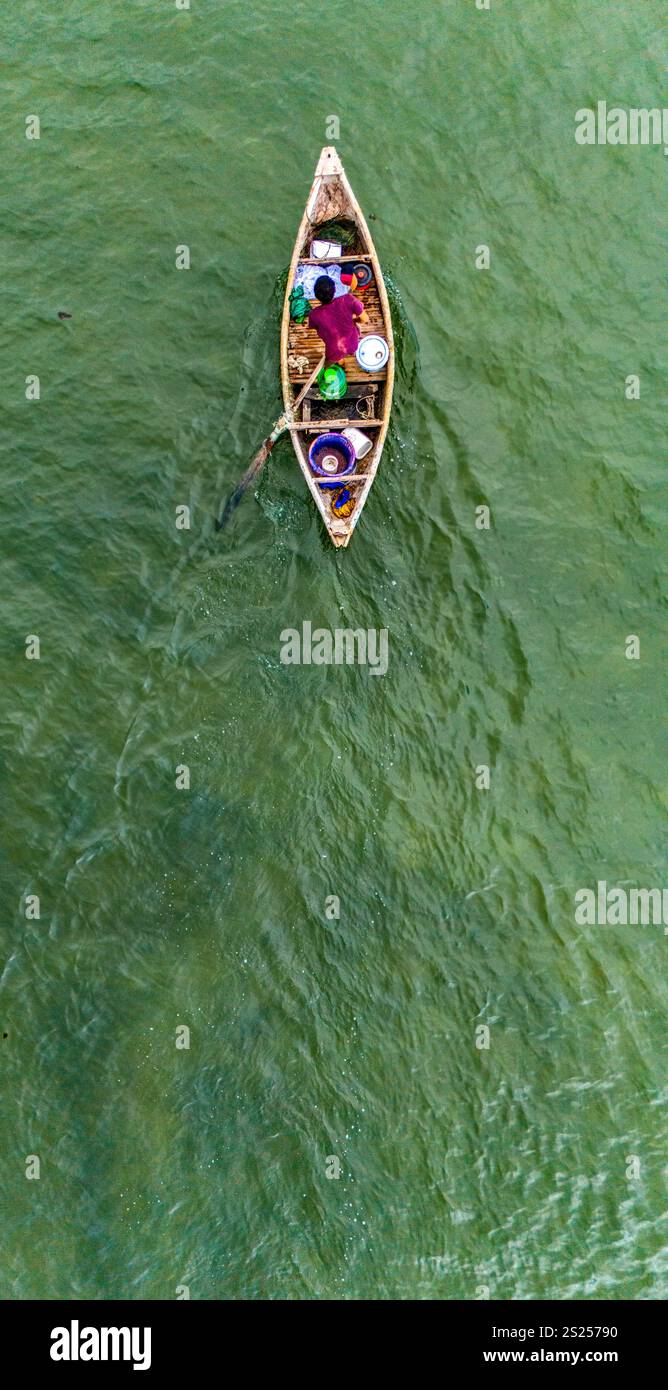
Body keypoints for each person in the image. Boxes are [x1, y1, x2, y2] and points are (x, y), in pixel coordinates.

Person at [308, 275, 368, 365]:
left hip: (334, 350)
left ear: (316, 296)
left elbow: (314, 327)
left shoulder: (314, 314)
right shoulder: (349, 299)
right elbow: (365, 319)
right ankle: (342, 359)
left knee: (328, 364)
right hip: (353, 343)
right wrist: (354, 321)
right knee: (347, 351)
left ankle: (340, 362)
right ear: (335, 290)